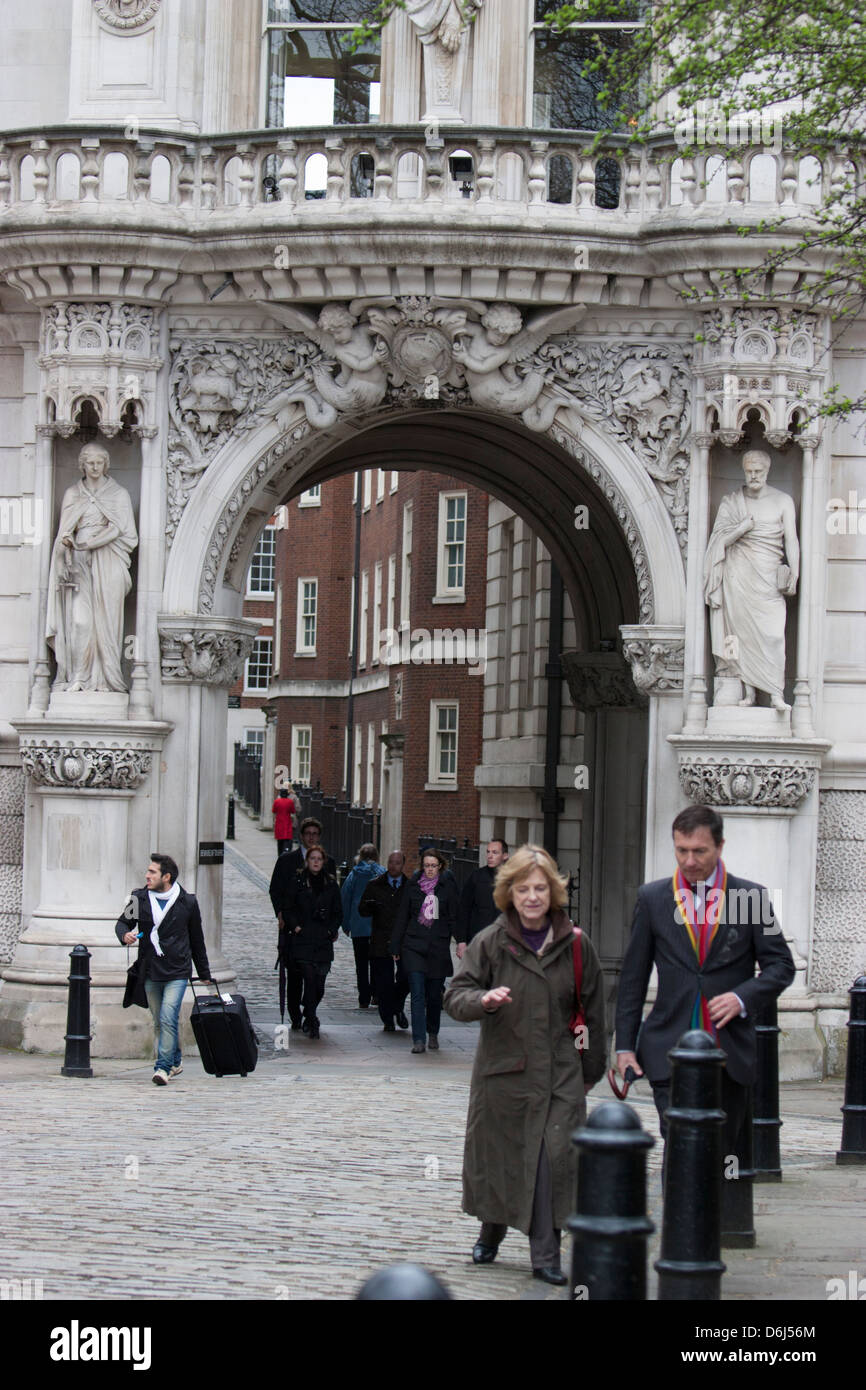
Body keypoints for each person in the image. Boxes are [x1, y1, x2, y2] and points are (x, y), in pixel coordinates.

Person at [614, 804, 796, 1234]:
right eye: (681, 851)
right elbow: (633, 978)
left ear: (720, 846)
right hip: (667, 1050)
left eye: (699, 851)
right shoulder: (654, 899)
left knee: (716, 1153)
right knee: (680, 1146)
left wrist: (742, 996)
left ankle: (702, 1240)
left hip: (727, 1053)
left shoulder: (750, 898)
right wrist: (623, 1046)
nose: (690, 862)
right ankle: (681, 1244)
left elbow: (780, 967)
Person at [444, 844, 606, 1285]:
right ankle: (492, 1228)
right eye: (522, 889)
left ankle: (545, 1254)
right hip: (504, 1072)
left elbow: (592, 1014)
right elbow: (455, 998)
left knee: (552, 1159)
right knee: (503, 1158)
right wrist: (484, 1000)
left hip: (560, 1073)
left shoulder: (577, 945)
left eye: (539, 888)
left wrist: (590, 1070)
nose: (532, 897)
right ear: (509, 893)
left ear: (552, 891)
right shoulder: (490, 942)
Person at [703, 448, 799, 711]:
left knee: (773, 636)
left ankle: (776, 693)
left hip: (768, 577)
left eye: (758, 471)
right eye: (749, 471)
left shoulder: (783, 501)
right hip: (738, 576)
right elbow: (717, 544)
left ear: (767, 471)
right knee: (740, 635)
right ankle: (749, 693)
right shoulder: (732, 501)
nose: (754, 475)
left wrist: (795, 571)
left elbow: (791, 539)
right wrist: (741, 529)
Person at [46, 441, 138, 692]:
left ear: (106, 465)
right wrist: (67, 542)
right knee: (79, 622)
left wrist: (94, 542)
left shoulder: (118, 494)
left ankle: (107, 678)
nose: (95, 467)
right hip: (79, 566)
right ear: (82, 465)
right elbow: (64, 532)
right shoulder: (73, 494)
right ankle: (78, 676)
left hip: (109, 562)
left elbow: (125, 532)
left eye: (100, 463)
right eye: (90, 463)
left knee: (107, 622)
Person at [115, 853, 212, 1086]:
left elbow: (197, 940)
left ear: (166, 877)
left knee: (169, 1017)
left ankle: (163, 1067)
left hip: (177, 970)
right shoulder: (139, 899)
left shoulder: (187, 902)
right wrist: (124, 935)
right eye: (148, 871)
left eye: (152, 872)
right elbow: (123, 923)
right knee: (160, 1020)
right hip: (150, 969)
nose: (147, 876)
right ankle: (176, 1059)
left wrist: (204, 972)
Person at [391, 847, 459, 1054]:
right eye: (426, 865)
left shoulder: (447, 887)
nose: (429, 870)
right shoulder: (413, 887)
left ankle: (432, 1032)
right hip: (414, 945)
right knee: (417, 994)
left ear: (440, 866)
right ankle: (418, 1039)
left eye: (433, 866)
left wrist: (463, 942)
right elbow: (402, 916)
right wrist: (395, 945)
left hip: (437, 947)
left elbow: (454, 916)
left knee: (433, 995)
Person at [281, 845, 342, 1040]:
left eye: (319, 858)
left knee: (319, 985)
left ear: (324, 862)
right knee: (309, 979)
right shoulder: (297, 881)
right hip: (304, 938)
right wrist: (296, 926)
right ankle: (312, 1020)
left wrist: (332, 929)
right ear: (307, 861)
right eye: (312, 858)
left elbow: (337, 911)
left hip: (323, 940)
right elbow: (288, 906)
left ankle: (309, 1011)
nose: (316, 862)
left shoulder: (331, 883)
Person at [358, 851, 411, 1032]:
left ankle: (396, 1006)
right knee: (383, 983)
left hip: (404, 942)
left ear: (403, 864)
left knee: (406, 977)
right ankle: (388, 1018)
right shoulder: (375, 885)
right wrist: (370, 905)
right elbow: (362, 910)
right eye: (391, 862)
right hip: (381, 941)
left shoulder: (410, 887)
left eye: (397, 862)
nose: (393, 866)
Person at [341, 844, 385, 1009]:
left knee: (361, 964)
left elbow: (345, 899)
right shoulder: (382, 874)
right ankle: (376, 993)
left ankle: (363, 997)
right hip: (377, 926)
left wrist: (346, 924)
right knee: (376, 961)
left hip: (359, 926)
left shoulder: (354, 875)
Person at [456, 839, 508, 959]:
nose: (490, 856)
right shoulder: (476, 877)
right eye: (488, 852)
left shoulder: (514, 880)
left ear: (505, 856)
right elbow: (464, 909)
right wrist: (461, 941)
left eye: (495, 852)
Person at [272, 786, 297, 856]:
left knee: (279, 840)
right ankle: (286, 852)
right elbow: (293, 811)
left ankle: (279, 854)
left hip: (279, 822)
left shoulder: (276, 801)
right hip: (287, 822)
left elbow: (274, 811)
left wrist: (274, 820)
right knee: (287, 839)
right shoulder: (290, 802)